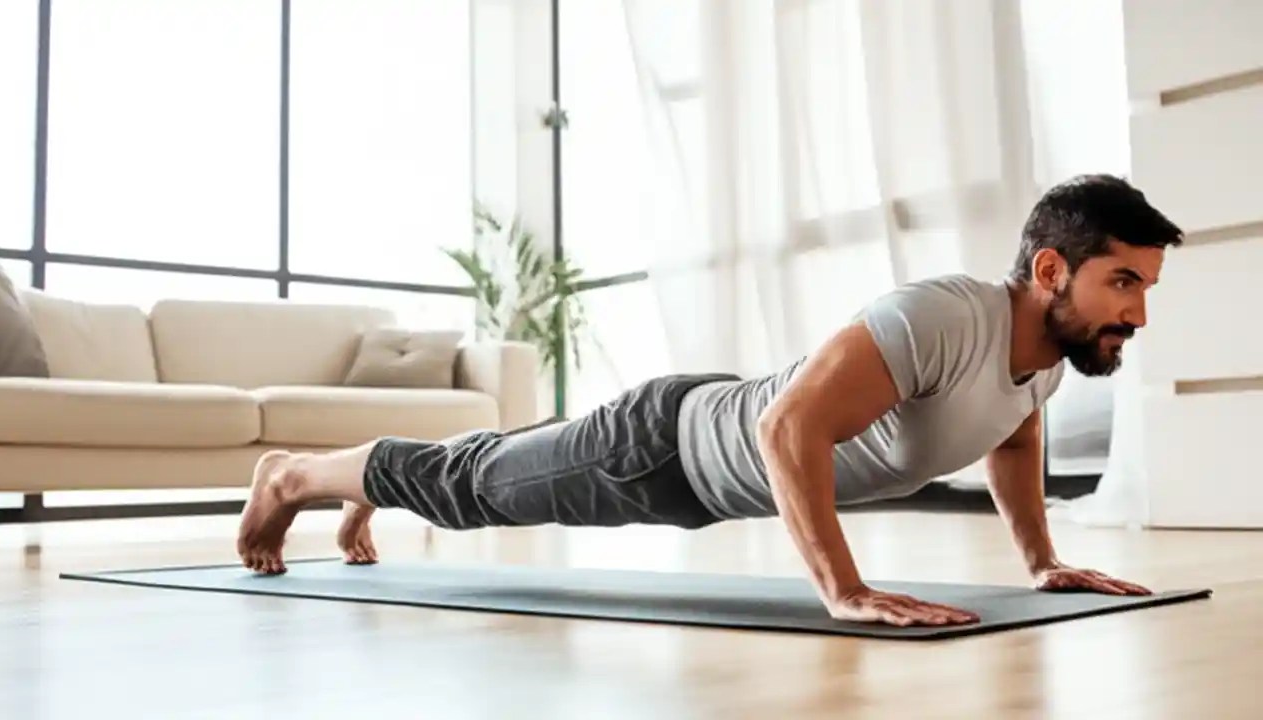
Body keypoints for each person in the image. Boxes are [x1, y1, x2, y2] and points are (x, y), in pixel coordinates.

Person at [237, 173, 1183, 628]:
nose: (1137, 310)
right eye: (1123, 283)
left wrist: (1042, 561)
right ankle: (294, 475)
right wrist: (842, 592)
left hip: (694, 454)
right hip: (665, 449)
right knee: (475, 490)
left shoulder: (1053, 353)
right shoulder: (940, 315)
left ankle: (372, 476)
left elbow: (1012, 440)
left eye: (1144, 286)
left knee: (483, 468)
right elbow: (787, 427)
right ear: (1051, 269)